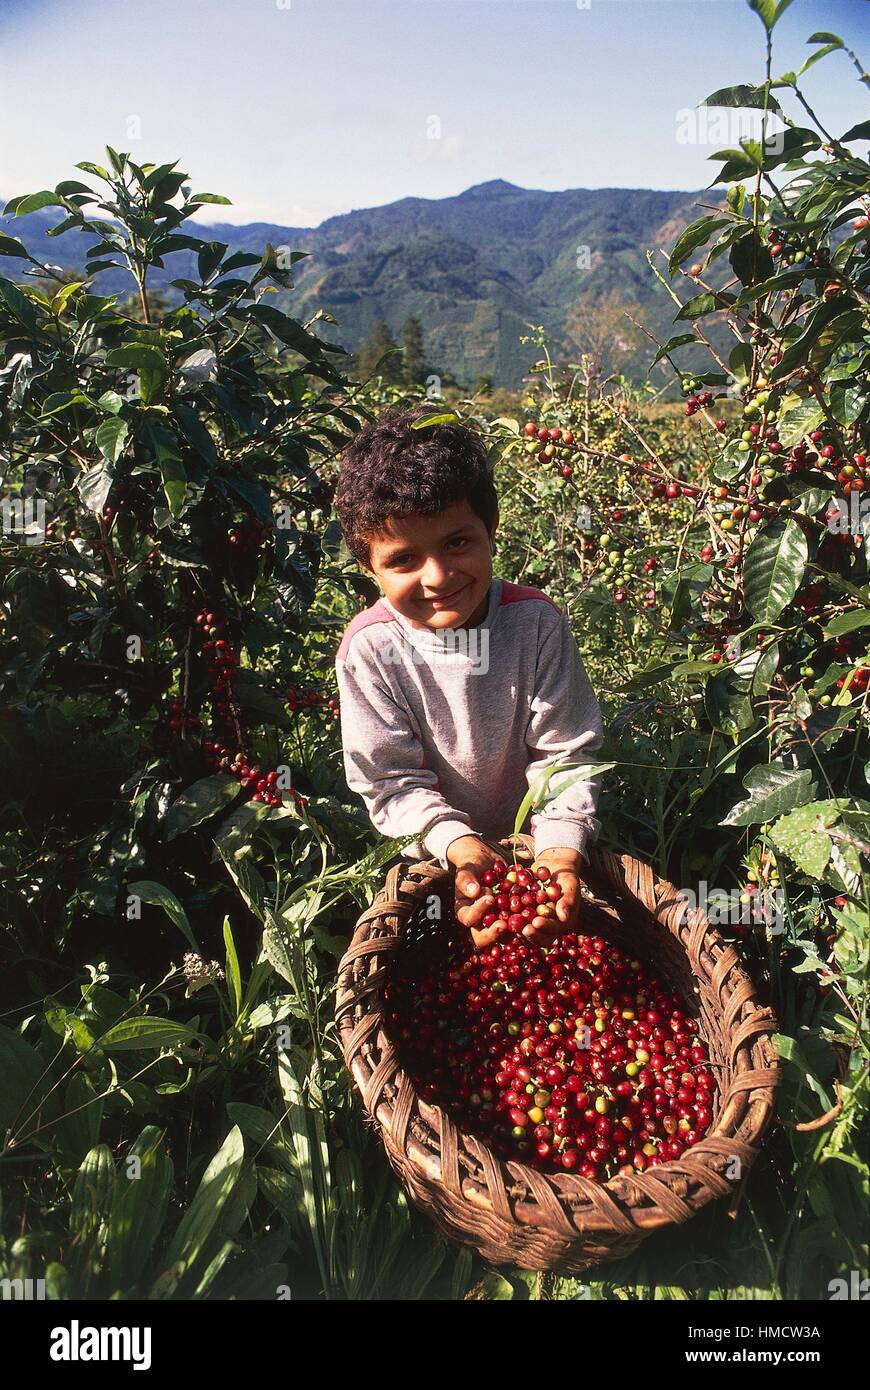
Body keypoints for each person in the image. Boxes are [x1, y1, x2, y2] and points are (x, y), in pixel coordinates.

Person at [333, 402, 605, 947]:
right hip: (434, 855)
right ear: (369, 567)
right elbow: (390, 782)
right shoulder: (371, 650)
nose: (438, 576)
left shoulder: (536, 625)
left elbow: (565, 758)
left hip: (543, 846)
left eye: (458, 542)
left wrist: (557, 851)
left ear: (491, 531)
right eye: (403, 559)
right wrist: (454, 842)